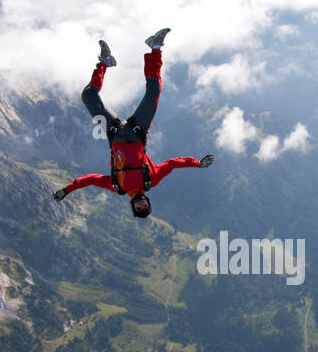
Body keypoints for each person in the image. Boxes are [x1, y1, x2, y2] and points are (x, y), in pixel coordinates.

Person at [53, 29, 214, 217]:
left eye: (139, 209)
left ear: (133, 206)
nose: (141, 205)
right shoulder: (151, 180)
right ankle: (155, 48)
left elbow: (89, 180)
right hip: (137, 131)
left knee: (88, 96)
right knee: (153, 90)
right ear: (147, 201)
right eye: (145, 206)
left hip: (114, 133)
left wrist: (67, 190)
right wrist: (196, 164)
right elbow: (172, 164)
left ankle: (104, 63)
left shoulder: (117, 186)